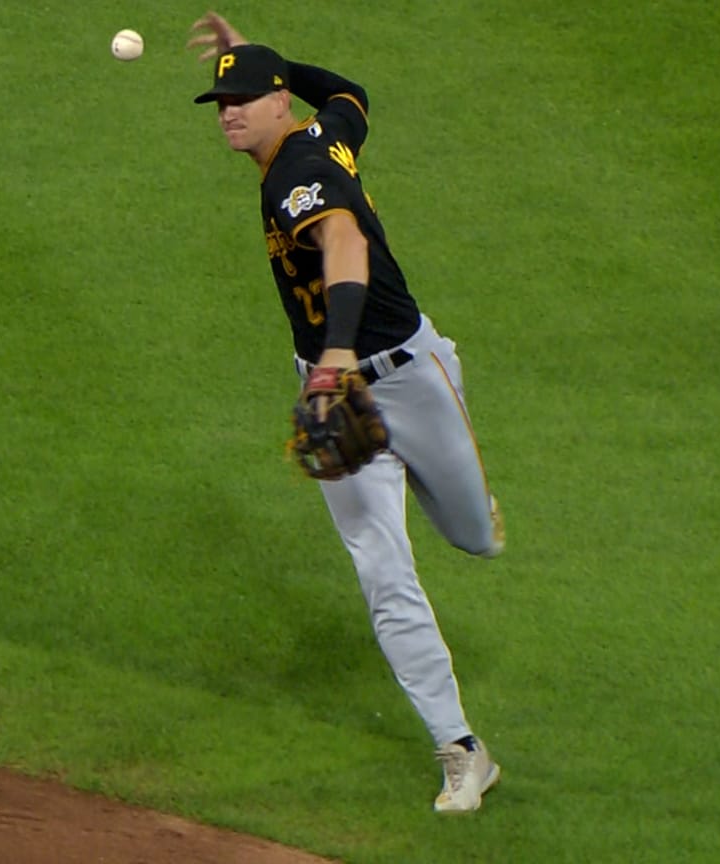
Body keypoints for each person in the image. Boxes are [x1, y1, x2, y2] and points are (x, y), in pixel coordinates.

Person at [187, 12, 506, 814]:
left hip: (403, 375)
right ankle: (461, 749)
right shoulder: (327, 133)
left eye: (243, 97)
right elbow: (352, 94)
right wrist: (263, 57)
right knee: (382, 568)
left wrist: (333, 356)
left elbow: (345, 247)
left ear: (279, 103)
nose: (227, 112)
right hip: (332, 382)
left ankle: (458, 478)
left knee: (473, 538)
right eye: (219, 100)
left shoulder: (300, 167)